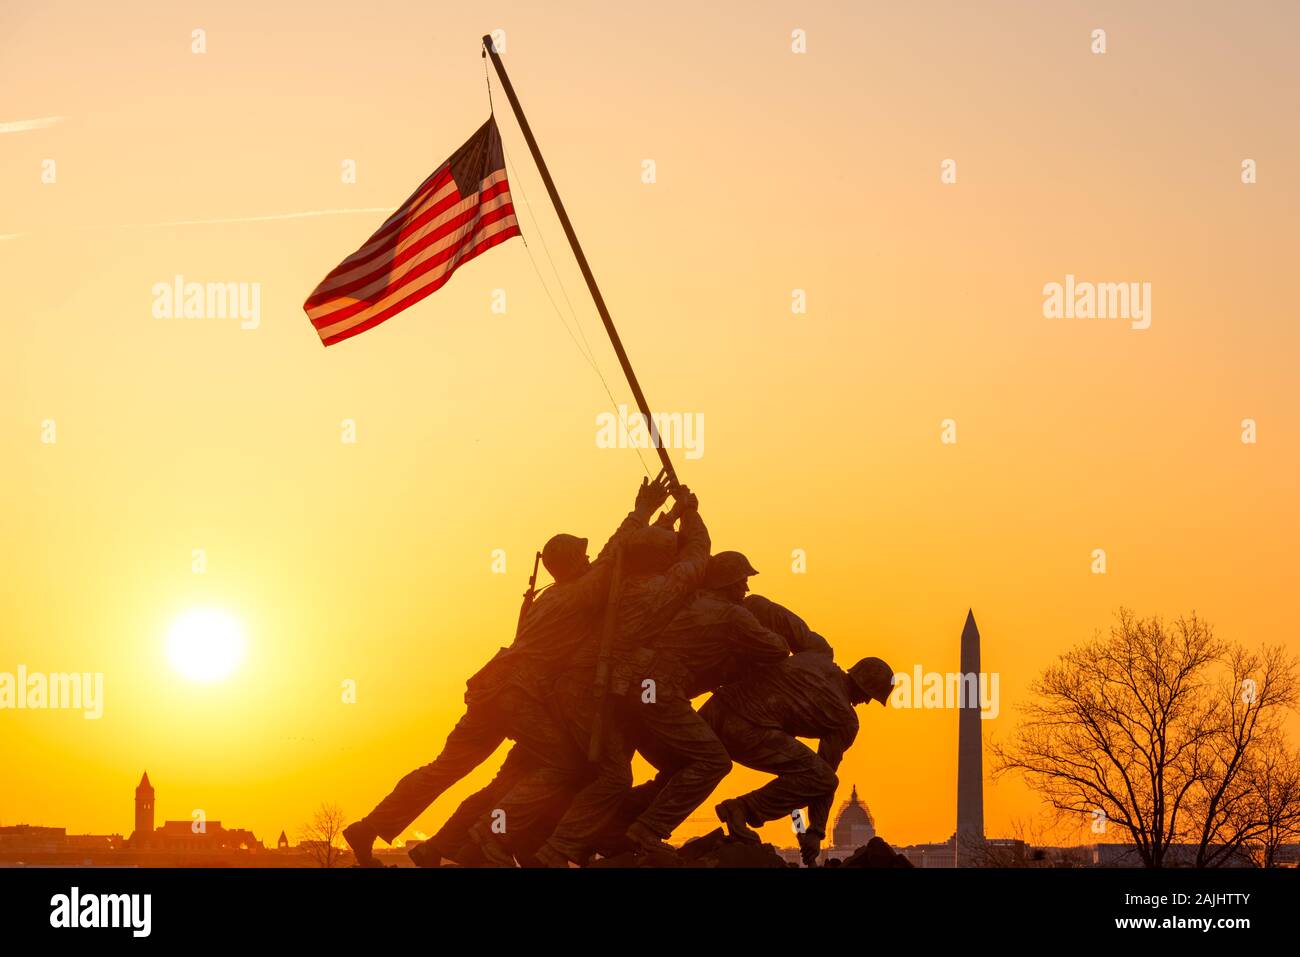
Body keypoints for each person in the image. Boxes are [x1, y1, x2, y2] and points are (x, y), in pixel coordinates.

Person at [341, 475, 671, 866]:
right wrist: (642, 511)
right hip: (519, 694)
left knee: (444, 769)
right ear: (568, 564)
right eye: (580, 557)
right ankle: (490, 839)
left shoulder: (550, 598)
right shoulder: (575, 595)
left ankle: (368, 827)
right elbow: (613, 556)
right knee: (565, 763)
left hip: (492, 688)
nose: (588, 560)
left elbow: (611, 559)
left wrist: (656, 525)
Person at [702, 650, 895, 866]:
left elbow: (796, 787)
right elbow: (822, 781)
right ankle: (741, 808)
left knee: (807, 774)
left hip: (715, 708)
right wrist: (815, 832)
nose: (868, 702)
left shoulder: (818, 656)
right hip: (746, 729)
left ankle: (656, 829)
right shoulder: (845, 719)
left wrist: (802, 831)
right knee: (822, 778)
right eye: (871, 695)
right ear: (864, 686)